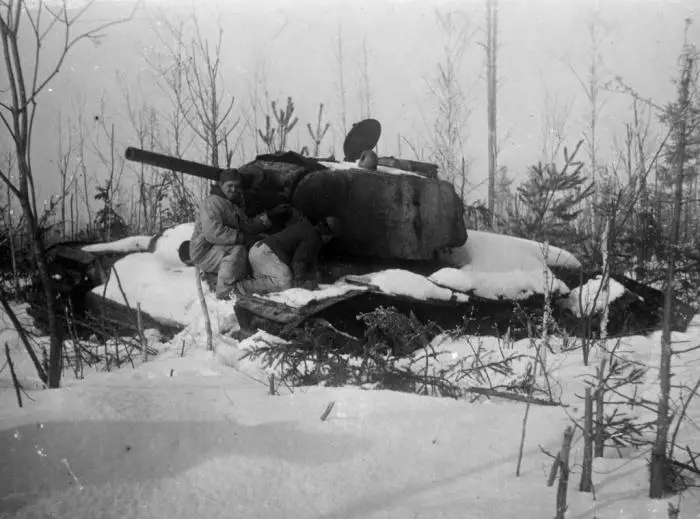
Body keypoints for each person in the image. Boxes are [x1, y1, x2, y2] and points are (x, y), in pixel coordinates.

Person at [189, 168, 272, 299]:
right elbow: (213, 232)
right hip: (204, 252)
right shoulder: (212, 203)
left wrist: (264, 220)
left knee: (247, 248)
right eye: (230, 185)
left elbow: (246, 225)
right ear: (221, 185)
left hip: (218, 248)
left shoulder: (233, 205)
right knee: (237, 250)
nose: (233, 189)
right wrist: (242, 237)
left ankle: (227, 279)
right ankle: (224, 293)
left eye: (237, 186)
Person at [235, 216, 341, 296]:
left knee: (277, 282)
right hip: (265, 254)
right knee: (286, 282)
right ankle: (244, 287)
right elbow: (299, 262)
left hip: (260, 252)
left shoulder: (308, 229)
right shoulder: (313, 238)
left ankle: (252, 286)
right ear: (328, 235)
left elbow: (306, 260)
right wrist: (300, 283)